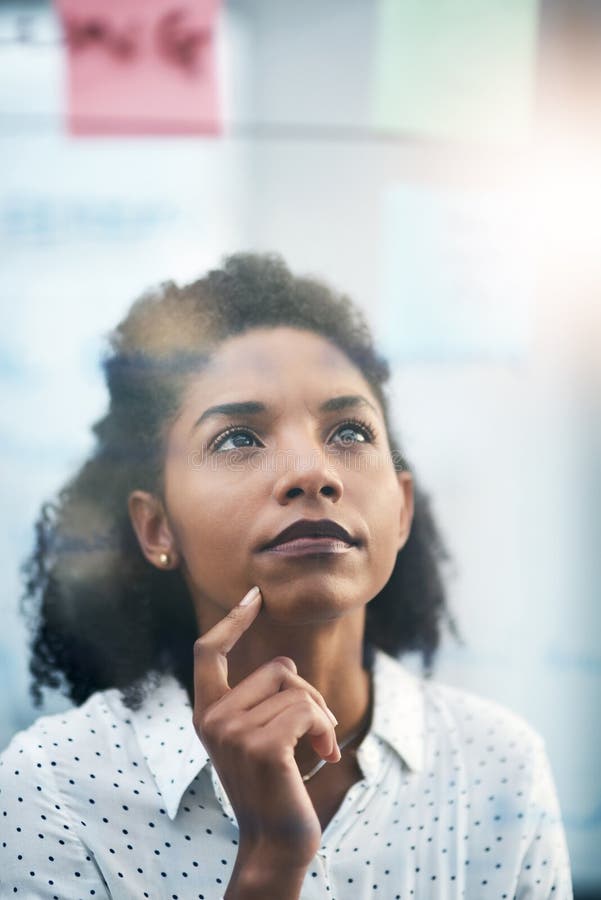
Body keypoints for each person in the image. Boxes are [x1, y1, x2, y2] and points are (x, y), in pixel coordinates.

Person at [0, 254, 572, 899]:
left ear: (402, 507)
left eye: (350, 431)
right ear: (157, 528)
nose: (311, 471)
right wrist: (270, 866)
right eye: (239, 439)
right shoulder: (53, 784)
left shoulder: (501, 765)